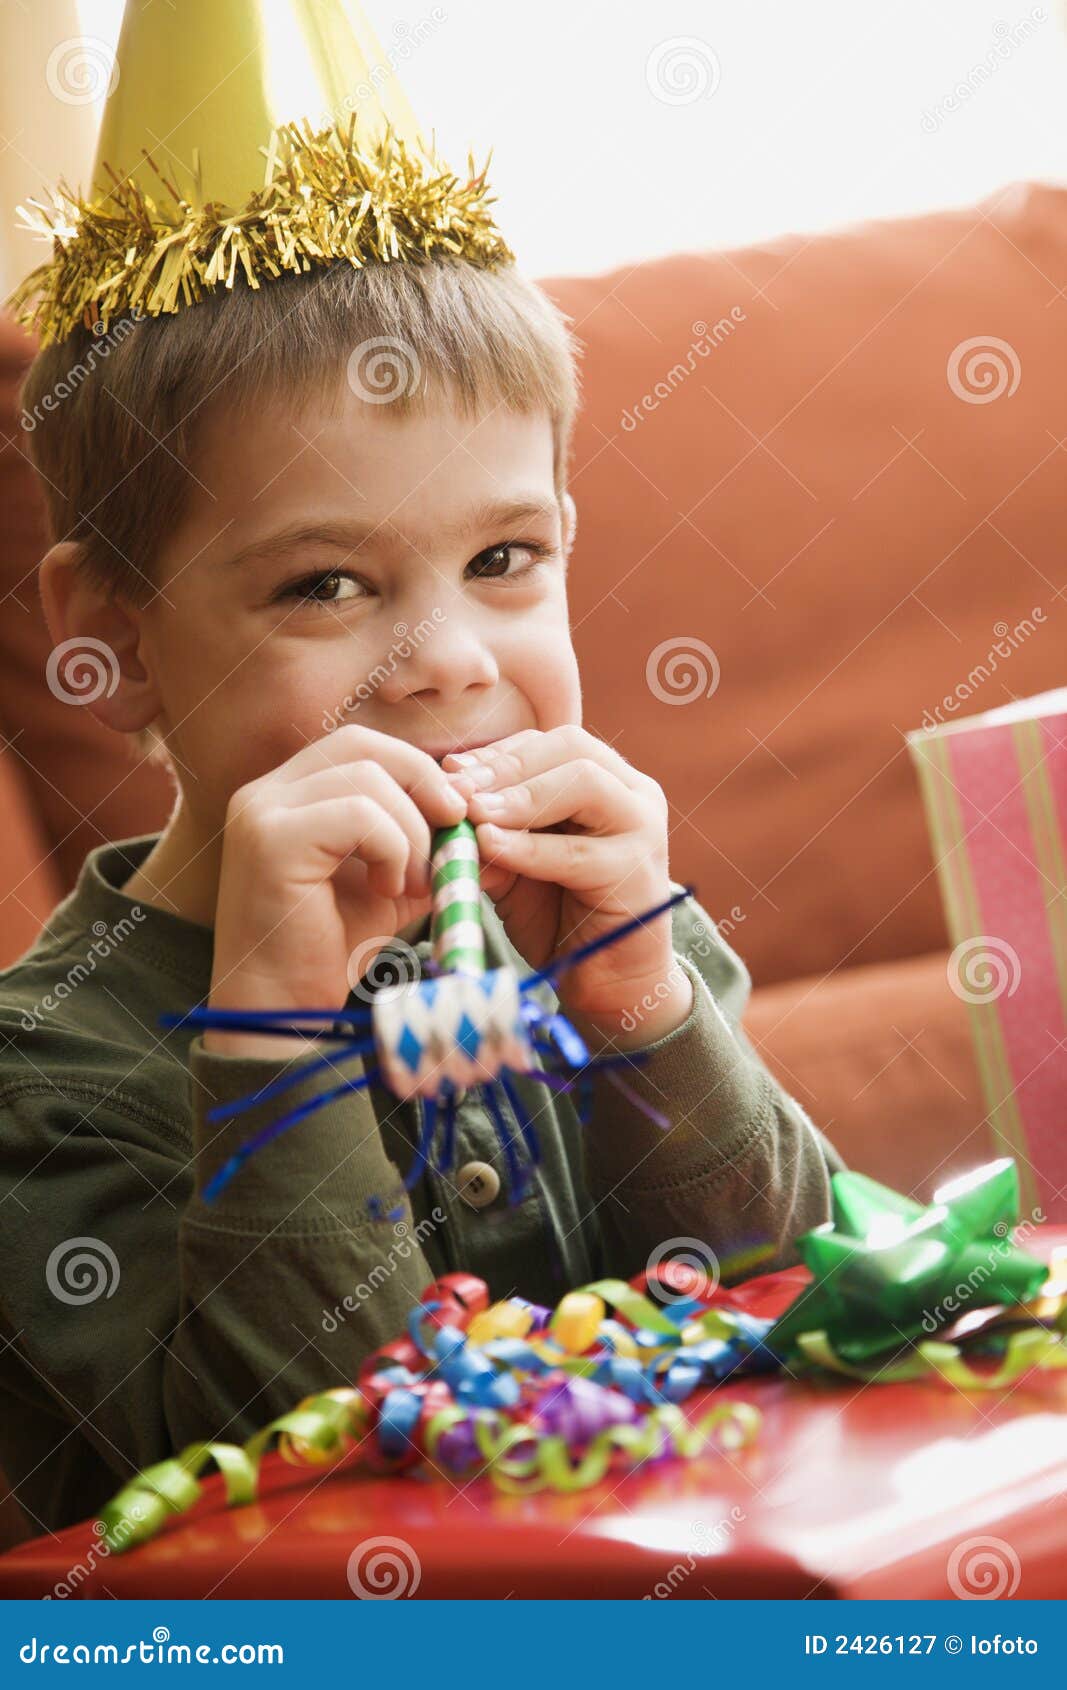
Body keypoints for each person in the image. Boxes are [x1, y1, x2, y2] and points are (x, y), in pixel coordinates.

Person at [0, 0, 844, 1535]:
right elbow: (291, 1529)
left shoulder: (604, 935)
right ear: (112, 638)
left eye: (504, 558)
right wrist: (272, 1036)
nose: (448, 659)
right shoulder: (43, 1087)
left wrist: (646, 1014)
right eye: (326, 584)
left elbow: (815, 1319)